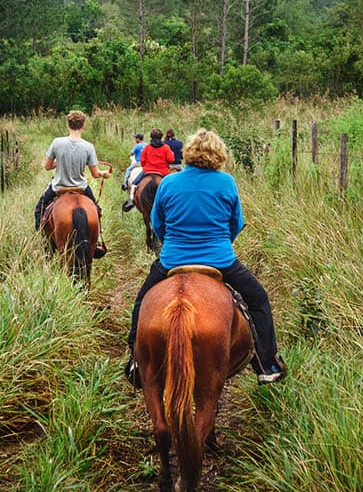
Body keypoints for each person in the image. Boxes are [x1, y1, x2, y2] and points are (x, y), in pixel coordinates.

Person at [123, 129, 287, 387]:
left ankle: (135, 360)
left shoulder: (169, 182)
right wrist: (220, 244)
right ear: (218, 154)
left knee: (142, 301)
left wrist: (174, 243)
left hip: (172, 259)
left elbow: (157, 224)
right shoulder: (227, 182)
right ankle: (266, 364)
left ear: (188, 153)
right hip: (220, 260)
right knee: (258, 300)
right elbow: (236, 224)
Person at [34, 110, 112, 257]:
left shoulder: (57, 143)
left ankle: (44, 242)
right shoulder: (88, 146)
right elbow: (95, 174)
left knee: (39, 210)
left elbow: (47, 166)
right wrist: (104, 174)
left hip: (58, 187)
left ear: (68, 125)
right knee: (97, 210)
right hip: (81, 187)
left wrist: (60, 162)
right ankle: (98, 240)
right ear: (83, 126)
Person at [122, 127, 173, 212]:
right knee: (172, 186)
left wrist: (148, 166)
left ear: (151, 137)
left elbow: (142, 161)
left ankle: (131, 200)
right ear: (161, 137)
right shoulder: (166, 147)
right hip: (163, 172)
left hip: (147, 171)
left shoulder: (148, 147)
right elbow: (171, 159)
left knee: (134, 184)